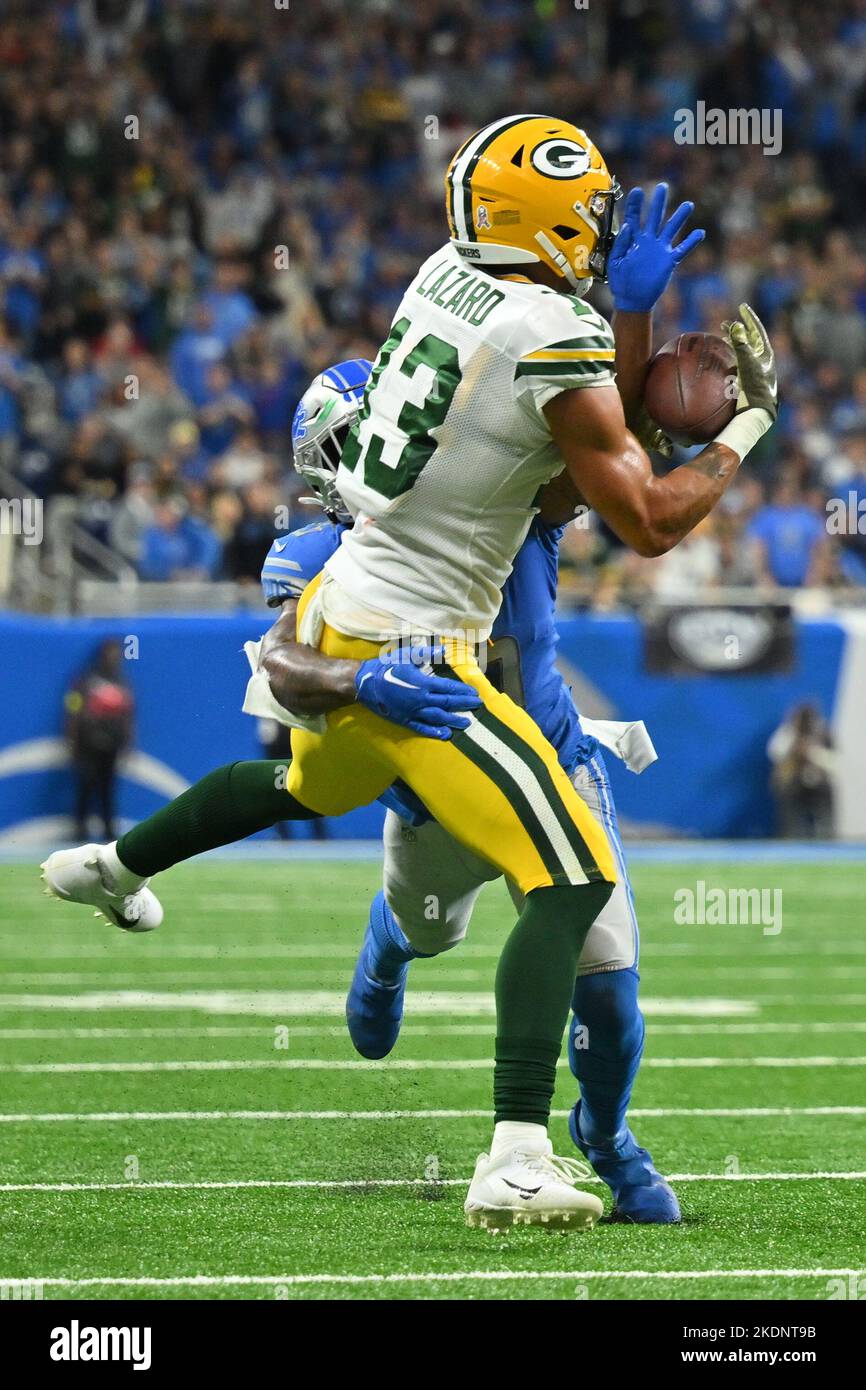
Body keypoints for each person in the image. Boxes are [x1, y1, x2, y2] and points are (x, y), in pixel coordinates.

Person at [44, 115, 778, 1230]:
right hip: (422, 678)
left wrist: (624, 318)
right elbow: (633, 505)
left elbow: (576, 457)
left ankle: (114, 863)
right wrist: (745, 424)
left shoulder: (445, 281)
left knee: (310, 793)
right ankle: (510, 1146)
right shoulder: (515, 370)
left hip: (444, 672)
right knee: (561, 877)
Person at [64, 638, 134, 842]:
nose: (114, 658)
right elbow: (74, 708)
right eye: (110, 653)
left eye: (116, 654)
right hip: (88, 742)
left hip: (112, 743)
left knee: (108, 788)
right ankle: (80, 829)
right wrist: (72, 738)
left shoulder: (121, 681)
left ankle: (109, 830)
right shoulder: (86, 680)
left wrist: (128, 741)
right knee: (86, 785)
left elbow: (128, 713)